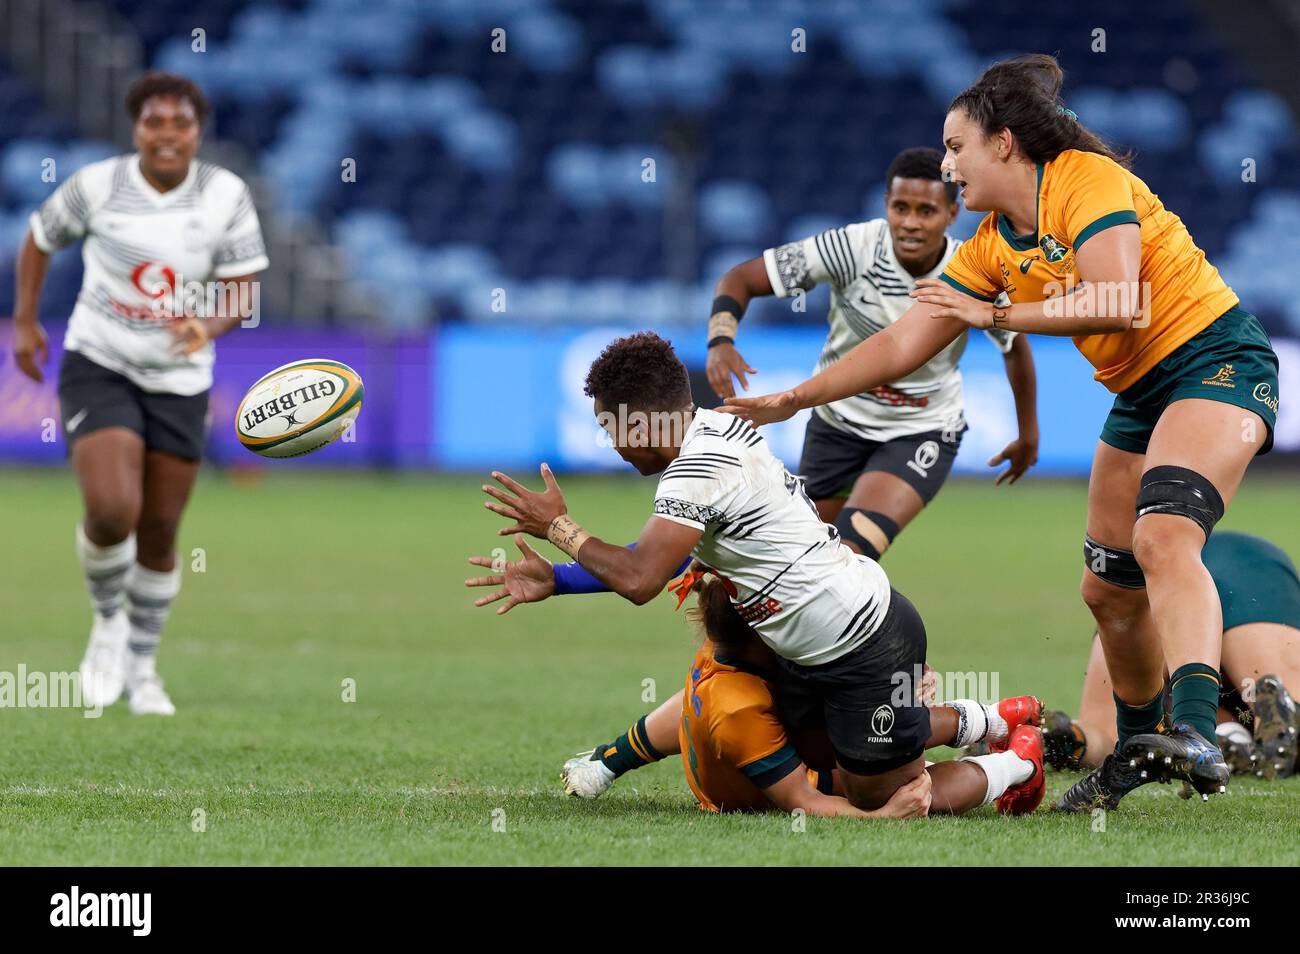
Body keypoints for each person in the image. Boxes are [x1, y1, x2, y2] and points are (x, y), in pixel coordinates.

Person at [720, 54, 1280, 810]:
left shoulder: (1088, 180)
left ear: (1004, 143)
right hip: (1139, 392)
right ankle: (1142, 748)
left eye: (956, 147)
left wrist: (1000, 315)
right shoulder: (990, 245)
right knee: (1109, 592)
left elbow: (1118, 300)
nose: (948, 165)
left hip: (1216, 360)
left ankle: (1195, 734)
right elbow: (900, 342)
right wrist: (797, 397)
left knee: (1162, 537)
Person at [467, 331, 1045, 817]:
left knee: (882, 801)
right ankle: (995, 715)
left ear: (642, 422)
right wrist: (561, 578)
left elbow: (643, 579)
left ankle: (1015, 761)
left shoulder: (697, 469)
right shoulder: (714, 429)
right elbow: (663, 556)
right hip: (815, 640)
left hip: (861, 645)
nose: (612, 445)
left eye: (612, 428)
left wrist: (560, 528)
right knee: (746, 704)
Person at [11, 71, 268, 714]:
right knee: (110, 509)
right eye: (155, 122)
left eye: (180, 123)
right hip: (100, 361)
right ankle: (105, 625)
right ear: (136, 127)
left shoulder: (226, 195)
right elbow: (40, 238)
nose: (167, 134)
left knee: (158, 529)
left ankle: (144, 668)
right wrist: (23, 320)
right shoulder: (97, 185)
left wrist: (206, 324)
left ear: (197, 131)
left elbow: (243, 288)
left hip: (181, 380)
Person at [707, 147, 1039, 560]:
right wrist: (721, 339)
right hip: (837, 424)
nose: (911, 224)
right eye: (901, 208)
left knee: (851, 553)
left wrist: (1028, 433)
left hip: (921, 429)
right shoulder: (851, 248)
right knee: (798, 560)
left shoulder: (971, 269)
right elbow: (741, 278)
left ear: (952, 215)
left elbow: (1015, 349)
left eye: (927, 211)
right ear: (886, 206)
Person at [1042, 531, 1298, 780]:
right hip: (1239, 565)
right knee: (1280, 698)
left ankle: (1070, 738)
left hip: (1145, 588)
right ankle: (1236, 740)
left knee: (1113, 735)